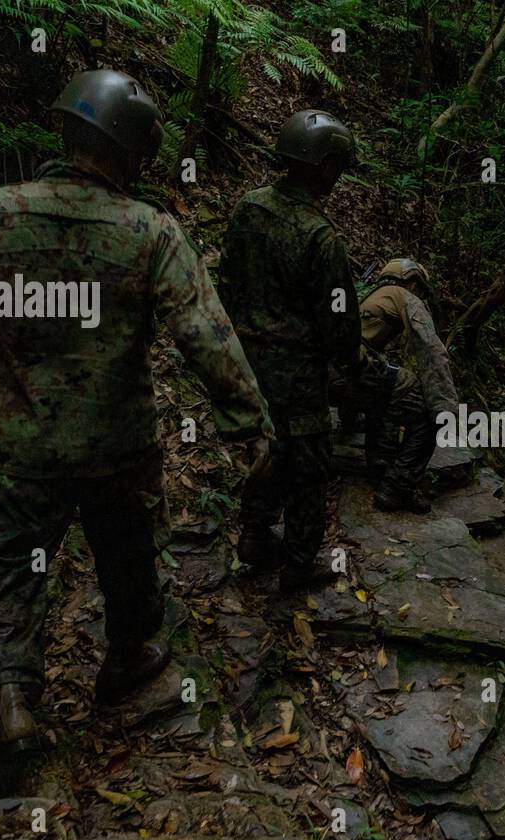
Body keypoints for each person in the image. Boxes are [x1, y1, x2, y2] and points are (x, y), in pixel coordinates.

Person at [0, 69, 272, 754]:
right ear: (130, 151)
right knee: (128, 552)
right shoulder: (151, 231)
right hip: (117, 442)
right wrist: (250, 425)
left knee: (9, 559)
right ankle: (127, 660)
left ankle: (11, 694)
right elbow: (204, 336)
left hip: (24, 439)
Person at [221, 109, 376, 590]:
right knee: (309, 463)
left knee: (268, 450)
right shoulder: (320, 236)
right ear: (326, 166)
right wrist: (354, 363)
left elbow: (227, 282)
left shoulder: (249, 207)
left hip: (247, 360)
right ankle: (298, 561)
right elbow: (339, 321)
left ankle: (254, 534)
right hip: (297, 370)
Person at [331, 257, 458, 513]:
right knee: (423, 408)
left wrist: (349, 416)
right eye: (420, 289)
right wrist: (445, 407)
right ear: (411, 282)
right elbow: (432, 351)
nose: (420, 295)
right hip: (347, 373)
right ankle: (397, 488)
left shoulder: (369, 296)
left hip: (327, 377)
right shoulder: (404, 296)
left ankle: (379, 463)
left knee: (389, 384)